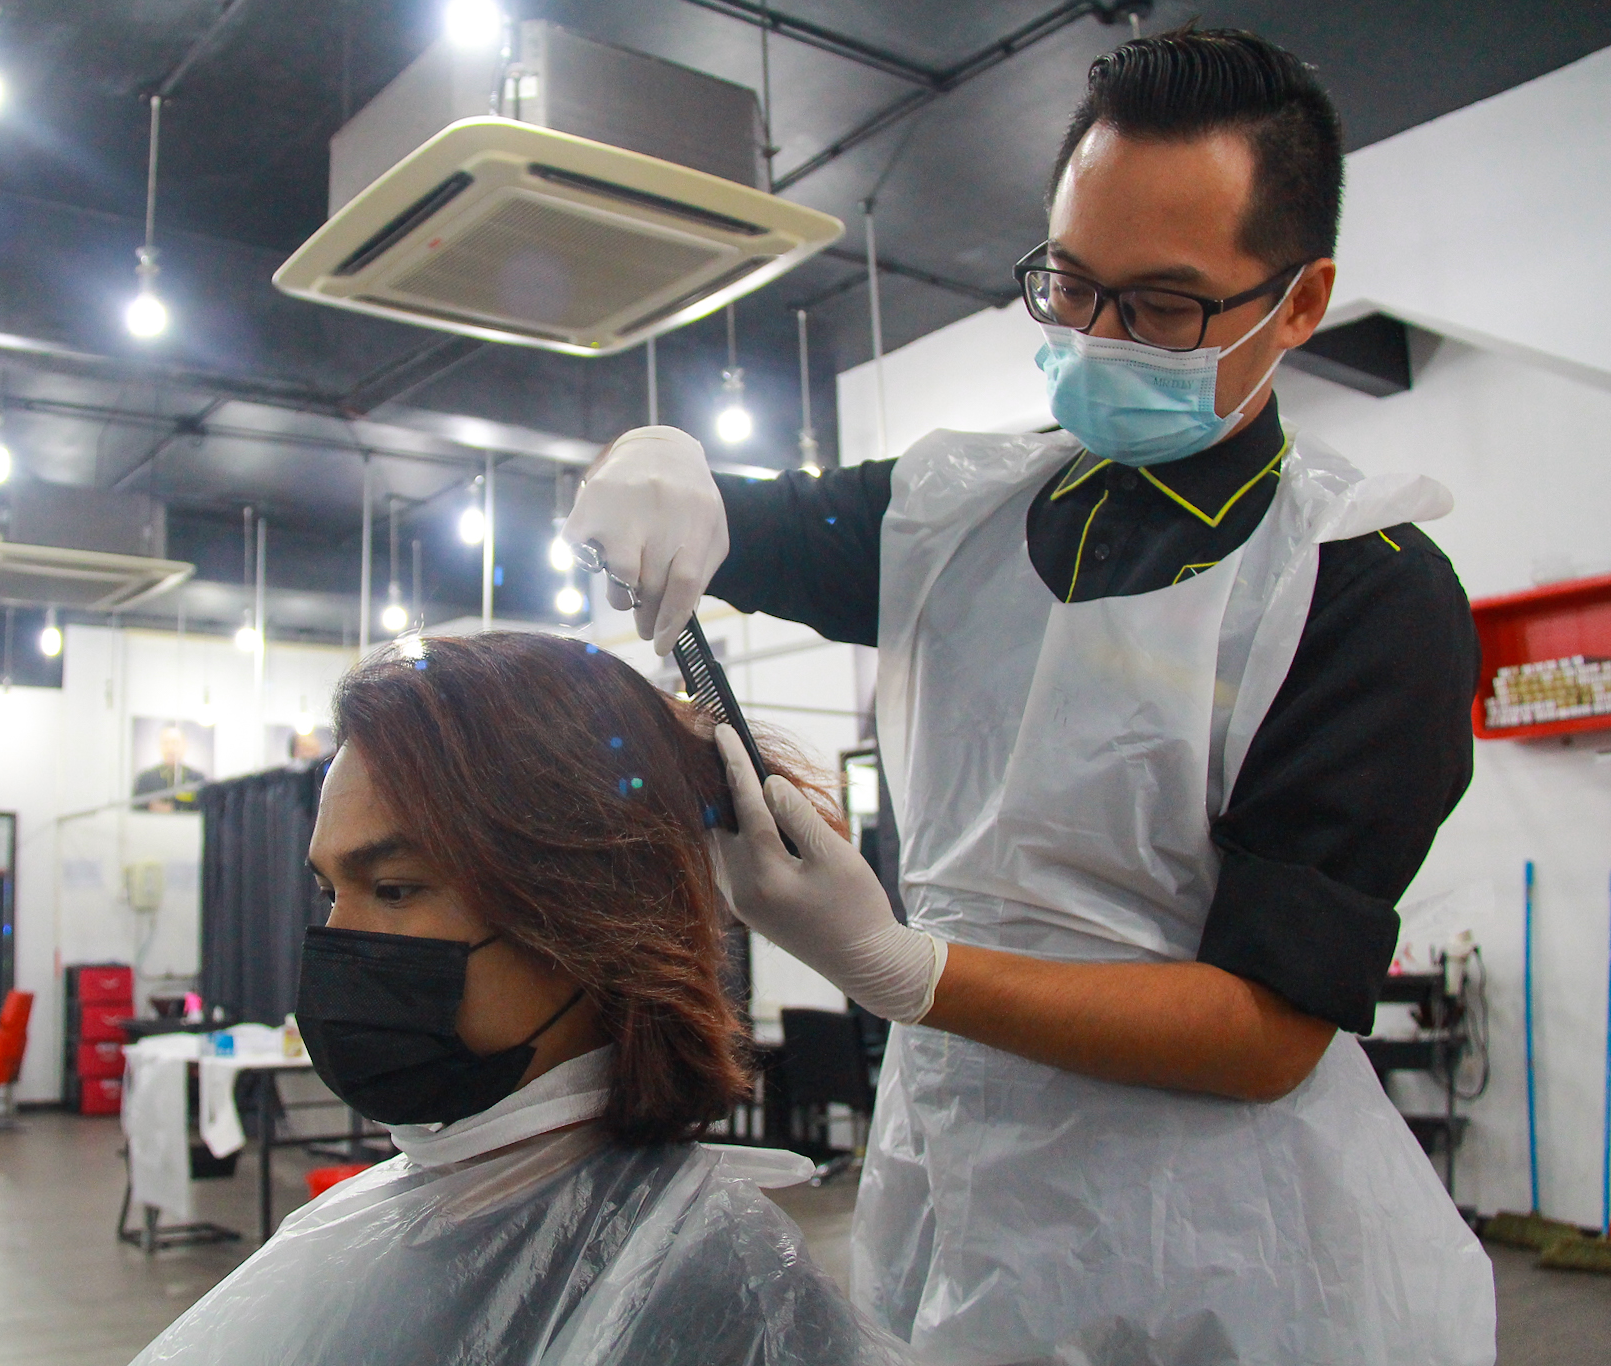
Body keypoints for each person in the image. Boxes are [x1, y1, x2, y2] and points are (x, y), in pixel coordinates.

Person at [563, 27, 1494, 1366]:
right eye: (1070, 282)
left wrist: (902, 966)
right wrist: (658, 477)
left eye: (1165, 306)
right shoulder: (951, 517)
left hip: (1229, 1260)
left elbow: (1262, 1029)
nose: (1099, 336)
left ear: (1298, 305)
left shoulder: (1361, 590)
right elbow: (733, 523)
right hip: (958, 1202)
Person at [130, 633, 912, 1366]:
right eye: (330, 891)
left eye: (395, 888)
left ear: (586, 910)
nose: (341, 942)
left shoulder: (713, 1282)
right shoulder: (391, 1232)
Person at [134, 723, 206, 812]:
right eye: (165, 743)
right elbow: (136, 809)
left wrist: (174, 808)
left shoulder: (198, 779)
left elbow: (203, 808)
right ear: (159, 746)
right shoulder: (145, 779)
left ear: (185, 745)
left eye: (175, 743)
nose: (170, 748)